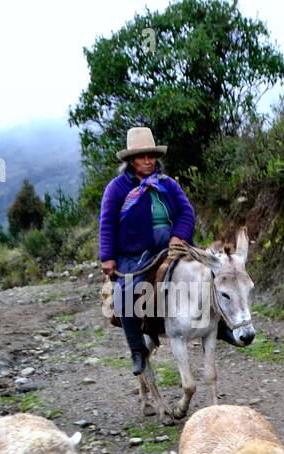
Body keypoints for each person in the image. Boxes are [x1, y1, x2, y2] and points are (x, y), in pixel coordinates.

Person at [98, 127, 229, 375]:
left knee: (209, 274)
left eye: (151, 155)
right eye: (142, 156)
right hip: (134, 254)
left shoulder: (167, 184)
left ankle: (221, 325)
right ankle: (137, 350)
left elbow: (186, 212)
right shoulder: (116, 188)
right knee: (125, 294)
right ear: (130, 160)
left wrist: (179, 236)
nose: (148, 160)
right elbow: (107, 222)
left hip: (172, 247)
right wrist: (108, 257)